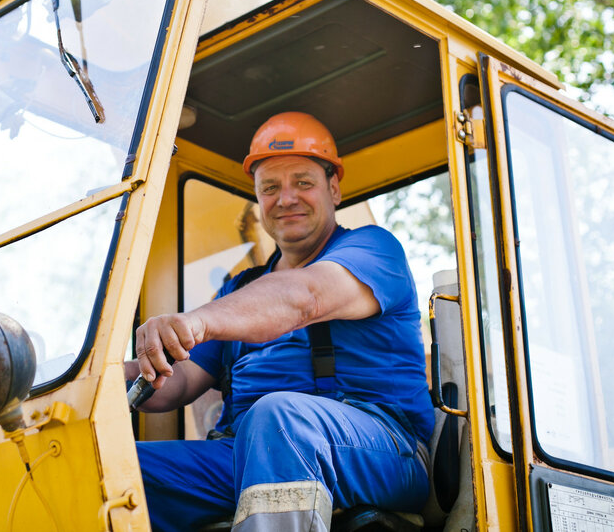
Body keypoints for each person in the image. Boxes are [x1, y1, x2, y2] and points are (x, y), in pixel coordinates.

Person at [126, 112, 433, 532]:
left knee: (278, 417)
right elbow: (176, 382)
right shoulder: (240, 290)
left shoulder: (373, 251)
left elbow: (304, 298)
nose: (286, 198)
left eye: (303, 182)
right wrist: (91, 377)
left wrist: (195, 321)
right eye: (270, 188)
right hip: (244, 452)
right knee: (110, 469)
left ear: (334, 188)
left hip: (379, 450)